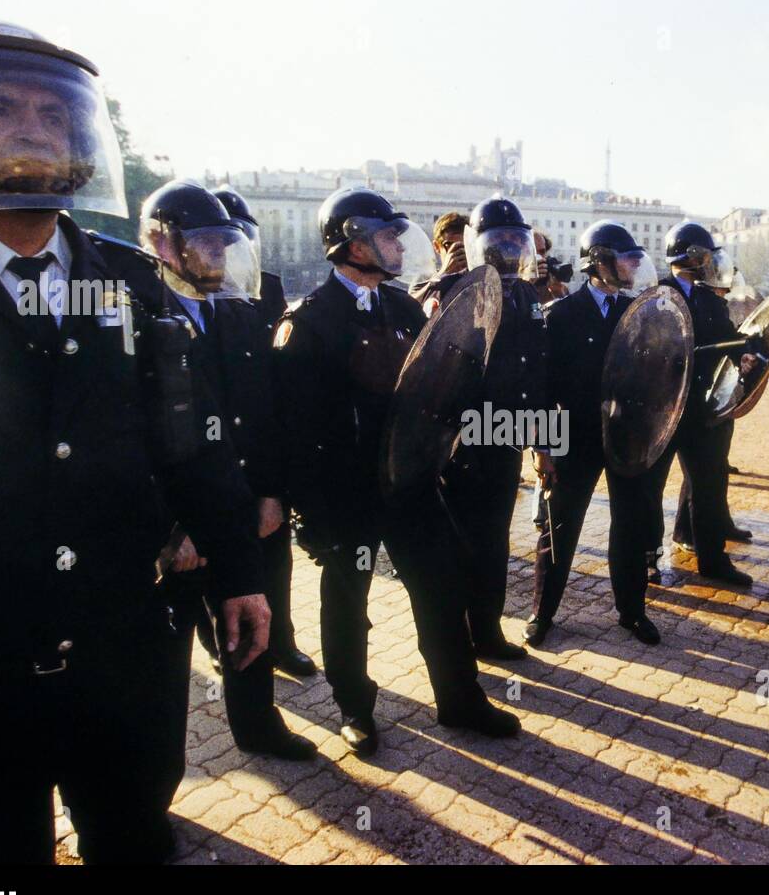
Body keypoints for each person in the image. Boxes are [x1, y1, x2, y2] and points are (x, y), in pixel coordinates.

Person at [0, 19, 271, 863]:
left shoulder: (126, 280)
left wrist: (238, 573)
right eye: (1, 106)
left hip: (122, 653)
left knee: (134, 838)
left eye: (55, 114)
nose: (33, 128)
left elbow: (191, 442)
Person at [272, 187, 520, 756]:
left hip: (409, 485)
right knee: (348, 604)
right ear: (350, 241)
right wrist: (309, 511)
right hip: (347, 498)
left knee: (441, 586)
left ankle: (459, 697)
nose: (399, 246)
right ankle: (355, 708)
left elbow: (438, 391)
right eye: (386, 236)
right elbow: (293, 429)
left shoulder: (407, 310)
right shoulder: (307, 323)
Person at [139, 180, 317, 761]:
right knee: (165, 661)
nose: (222, 256)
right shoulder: (134, 322)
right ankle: (153, 777)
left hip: (244, 512)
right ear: (165, 246)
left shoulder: (240, 318)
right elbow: (133, 442)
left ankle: (257, 726)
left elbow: (266, 418)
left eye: (226, 243)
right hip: (178, 535)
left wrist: (272, 494)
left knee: (250, 631)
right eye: (208, 244)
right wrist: (175, 528)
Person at [525, 221, 665, 647]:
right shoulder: (561, 316)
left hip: (626, 440)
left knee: (632, 525)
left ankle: (632, 611)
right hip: (574, 439)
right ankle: (542, 612)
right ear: (598, 261)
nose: (634, 265)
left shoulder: (637, 313)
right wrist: (542, 449)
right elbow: (541, 389)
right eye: (626, 258)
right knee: (559, 527)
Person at [433, 197, 549, 661]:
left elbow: (538, 372)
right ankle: (457, 636)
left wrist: (545, 444)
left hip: (505, 437)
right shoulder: (453, 291)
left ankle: (487, 630)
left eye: (512, 241)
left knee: (495, 539)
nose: (505, 249)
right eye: (496, 241)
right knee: (460, 543)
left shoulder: (524, 294)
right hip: (461, 442)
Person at [212, 185, 317, 681]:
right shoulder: (169, 293)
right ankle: (224, 644)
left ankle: (283, 643)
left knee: (277, 561)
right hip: (209, 457)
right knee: (217, 569)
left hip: (261, 451)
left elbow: (277, 380)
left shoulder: (268, 288)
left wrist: (280, 482)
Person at [646, 222, 753, 587]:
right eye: (705, 255)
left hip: (702, 412)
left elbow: (728, 340)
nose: (710, 261)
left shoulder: (710, 299)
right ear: (691, 256)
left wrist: (749, 350)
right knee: (650, 488)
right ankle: (646, 557)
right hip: (662, 411)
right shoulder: (656, 295)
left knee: (708, 487)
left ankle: (713, 559)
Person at [408, 211, 467, 315]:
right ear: (436, 247)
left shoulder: (479, 273)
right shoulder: (425, 278)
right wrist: (442, 276)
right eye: (449, 245)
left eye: (463, 245)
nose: (457, 251)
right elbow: (405, 308)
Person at [533, 229, 572, 305]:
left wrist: (558, 294)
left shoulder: (554, 285)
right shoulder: (511, 284)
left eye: (542, 252)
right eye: (533, 252)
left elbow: (569, 314)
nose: (539, 257)